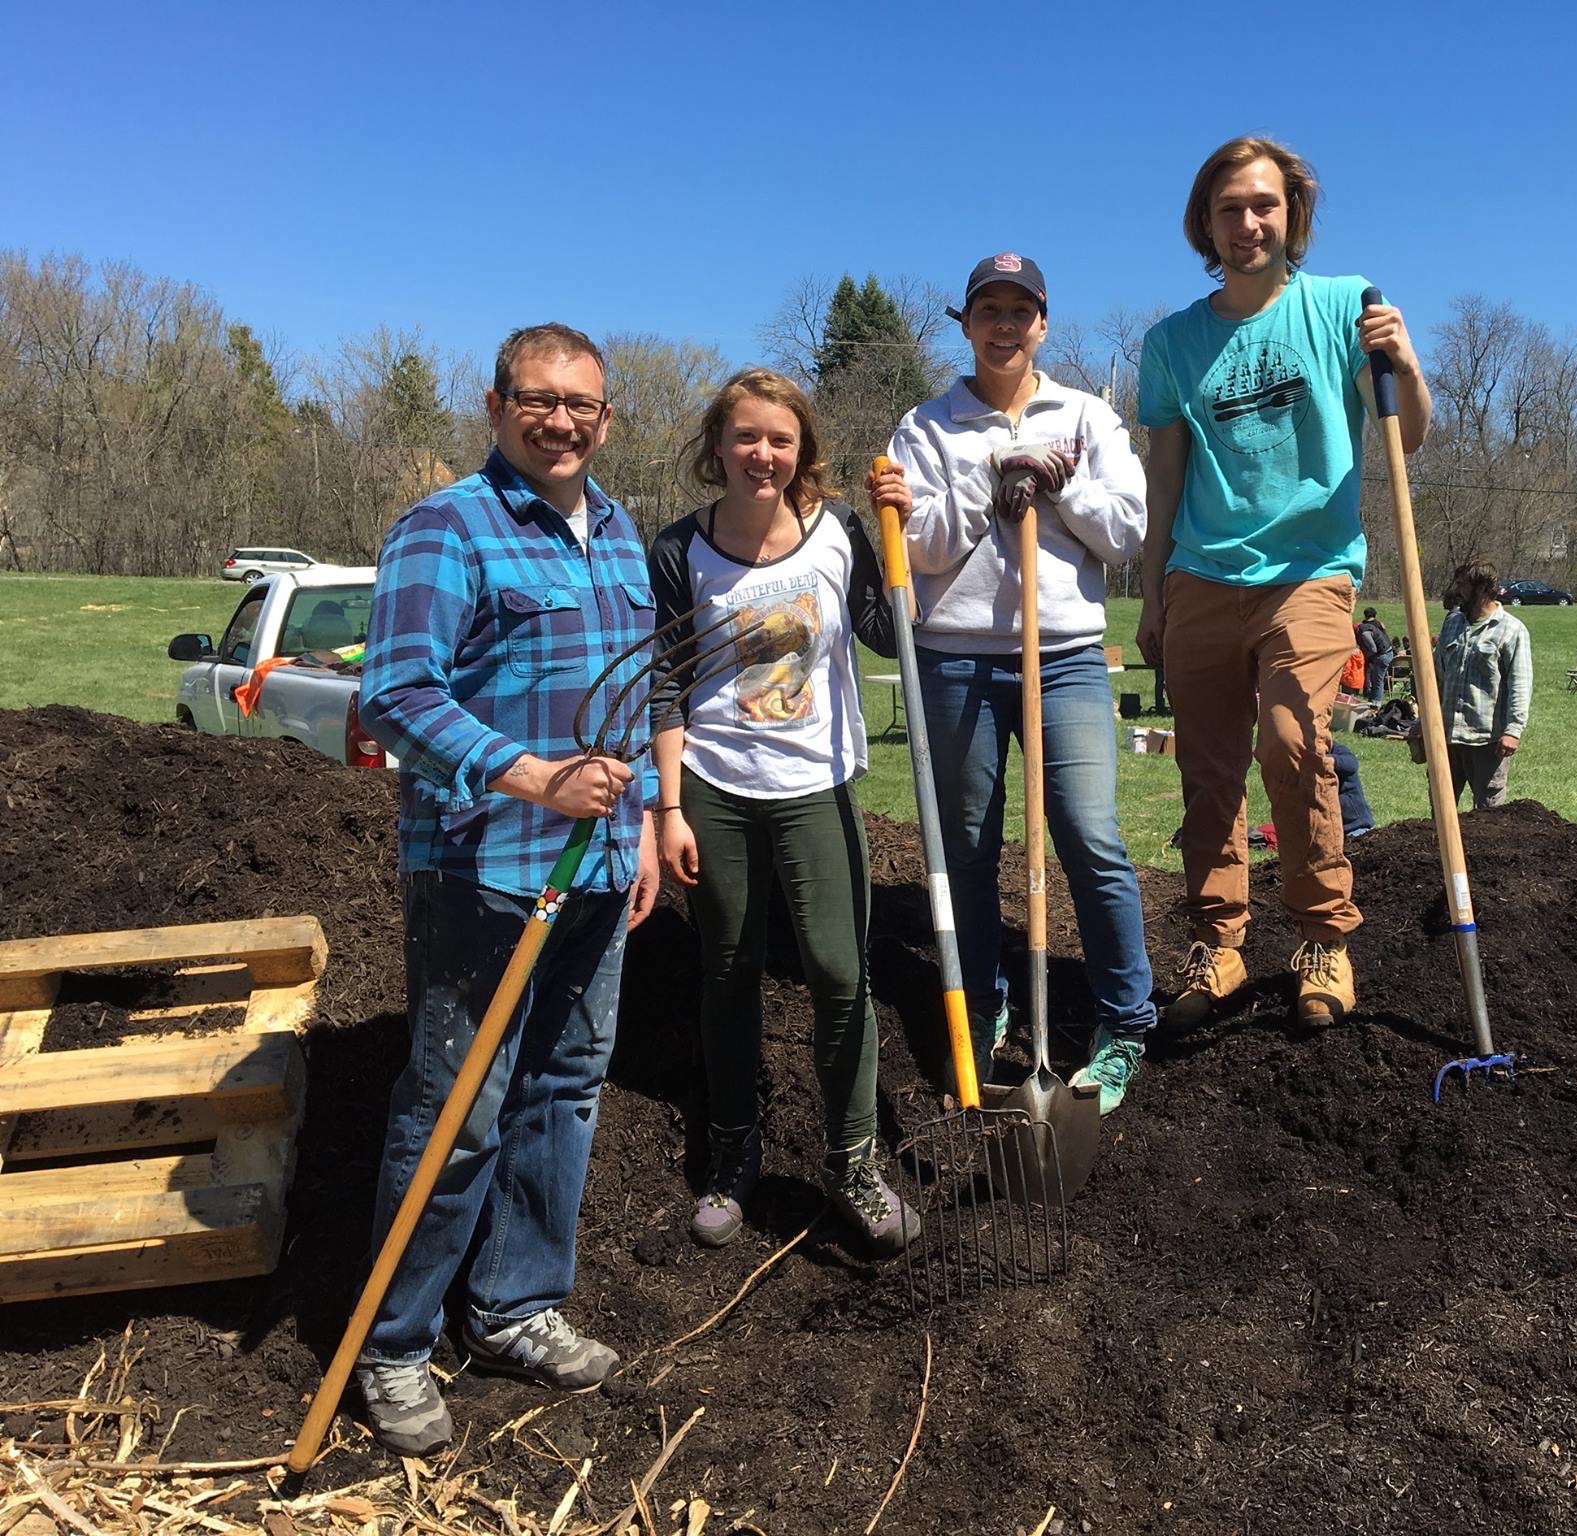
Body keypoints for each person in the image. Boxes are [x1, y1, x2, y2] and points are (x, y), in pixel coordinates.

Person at [354, 323, 659, 1457]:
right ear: (496, 407)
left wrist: (633, 833)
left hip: (594, 870)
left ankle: (515, 1306)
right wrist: (533, 778)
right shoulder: (447, 526)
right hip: (481, 871)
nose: (562, 420)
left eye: (583, 403)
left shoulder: (619, 533)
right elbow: (395, 695)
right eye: (539, 399)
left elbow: (631, 703)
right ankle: (394, 1345)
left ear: (605, 416)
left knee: (565, 1090)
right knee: (457, 1110)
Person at [1133, 135, 1431, 1028]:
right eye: (1230, 208)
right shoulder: (1173, 342)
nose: (1248, 222)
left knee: (1295, 744)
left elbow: (1404, 439)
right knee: (1208, 766)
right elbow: (1166, 478)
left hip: (1309, 572)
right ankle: (1219, 945)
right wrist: (1152, 593)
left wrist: (1406, 362)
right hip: (1201, 575)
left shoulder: (1344, 307)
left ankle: (1323, 943)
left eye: (1264, 204)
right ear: (1206, 223)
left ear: (1292, 213)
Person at [869, 253, 1154, 1113]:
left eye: (1018, 311)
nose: (1003, 325)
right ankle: (985, 1003)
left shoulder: (1089, 415)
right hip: (954, 654)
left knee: (1088, 830)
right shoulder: (924, 427)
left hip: (1062, 652)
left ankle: (1126, 1020)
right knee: (964, 844)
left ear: (1042, 322)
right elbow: (915, 550)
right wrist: (989, 491)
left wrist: (1058, 490)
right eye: (986, 310)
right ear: (965, 323)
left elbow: (1129, 533)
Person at [648, 369, 916, 1254]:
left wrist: (901, 535)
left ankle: (853, 1162)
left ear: (803, 452)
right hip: (718, 789)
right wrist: (670, 807)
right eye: (747, 436)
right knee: (726, 974)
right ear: (717, 445)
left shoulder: (838, 531)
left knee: (841, 974)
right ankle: (733, 1152)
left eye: (781, 440)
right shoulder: (679, 549)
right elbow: (666, 682)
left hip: (818, 785)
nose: (763, 454)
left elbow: (885, 630)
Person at [1429, 561, 1531, 810]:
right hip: (1448, 737)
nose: (1457, 590)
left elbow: (1520, 682)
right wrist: (1426, 720)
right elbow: (1437, 675)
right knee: (1440, 812)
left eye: (1463, 584)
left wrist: (1513, 730)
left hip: (1487, 739)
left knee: (1488, 817)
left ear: (1484, 588)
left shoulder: (1511, 630)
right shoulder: (1452, 624)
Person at [1356, 606, 1395, 703]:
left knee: (1377, 679)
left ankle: (1376, 703)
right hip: (1383, 652)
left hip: (1380, 654)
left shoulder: (1364, 630)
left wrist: (1366, 655)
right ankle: (1372, 699)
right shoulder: (1380, 624)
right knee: (1375, 678)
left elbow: (1373, 648)